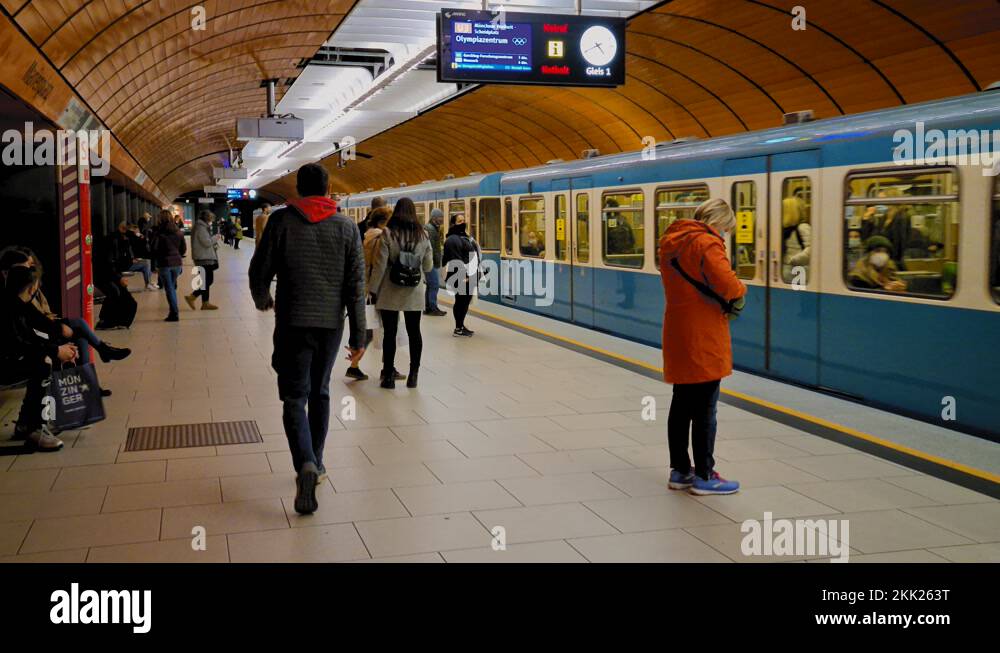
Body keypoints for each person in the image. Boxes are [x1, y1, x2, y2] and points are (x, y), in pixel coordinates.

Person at [249, 163, 366, 516]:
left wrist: (262, 298)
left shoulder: (281, 222)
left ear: (299, 190)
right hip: (331, 325)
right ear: (329, 189)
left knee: (294, 397)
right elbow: (355, 287)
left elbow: (259, 269)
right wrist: (359, 335)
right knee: (321, 392)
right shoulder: (347, 228)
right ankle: (318, 462)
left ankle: (305, 464)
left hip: (292, 322)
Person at [658, 198, 746, 496]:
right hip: (704, 333)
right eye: (726, 229)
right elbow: (729, 285)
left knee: (681, 404)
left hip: (678, 331)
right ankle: (706, 476)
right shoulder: (707, 243)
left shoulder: (671, 242)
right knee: (706, 407)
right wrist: (741, 289)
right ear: (719, 222)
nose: (725, 235)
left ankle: (680, 471)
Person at [1, 264, 77, 451]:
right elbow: (17, 343)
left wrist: (59, 343)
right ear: (31, 287)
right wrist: (55, 351)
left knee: (43, 359)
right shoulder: (8, 308)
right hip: (4, 362)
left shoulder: (17, 303)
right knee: (42, 363)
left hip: (10, 357)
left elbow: (37, 325)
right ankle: (35, 427)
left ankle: (26, 424)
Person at [367, 197, 432, 389]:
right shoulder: (423, 235)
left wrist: (372, 289)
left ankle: (388, 376)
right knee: (415, 333)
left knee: (390, 333)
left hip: (390, 290)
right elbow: (428, 266)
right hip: (414, 291)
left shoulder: (387, 233)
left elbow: (379, 265)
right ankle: (414, 375)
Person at [346, 206, 392, 381]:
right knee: (380, 329)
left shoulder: (369, 234)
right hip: (376, 289)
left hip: (368, 287)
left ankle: (357, 365)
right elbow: (378, 264)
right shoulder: (379, 237)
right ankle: (360, 365)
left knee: (372, 329)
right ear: (383, 222)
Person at [442, 212, 481, 337]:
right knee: (461, 302)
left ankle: (461, 325)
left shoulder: (463, 237)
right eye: (459, 221)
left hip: (468, 274)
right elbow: (456, 260)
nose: (463, 223)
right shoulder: (453, 239)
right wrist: (465, 276)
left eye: (464, 220)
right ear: (453, 224)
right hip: (461, 276)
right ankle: (458, 328)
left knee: (464, 301)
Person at [93, 229, 139, 330]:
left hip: (111, 276)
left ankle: (117, 321)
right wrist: (119, 278)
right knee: (115, 293)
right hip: (104, 276)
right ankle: (106, 321)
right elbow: (108, 266)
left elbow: (121, 264)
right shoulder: (111, 245)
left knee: (124, 297)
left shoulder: (119, 245)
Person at [152, 210, 187, 322]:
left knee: (169, 289)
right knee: (172, 287)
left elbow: (154, 248)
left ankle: (174, 313)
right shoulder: (178, 232)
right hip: (177, 263)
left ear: (160, 219)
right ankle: (173, 311)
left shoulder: (159, 233)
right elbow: (183, 249)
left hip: (164, 263)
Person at [185, 209, 220, 311]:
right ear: (207, 218)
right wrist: (215, 238)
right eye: (210, 219)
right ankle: (192, 297)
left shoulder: (201, 226)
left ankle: (205, 303)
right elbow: (206, 242)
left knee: (206, 281)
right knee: (208, 280)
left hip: (204, 256)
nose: (211, 221)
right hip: (203, 258)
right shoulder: (200, 227)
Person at [112, 221, 155, 290]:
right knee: (146, 264)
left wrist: (132, 259)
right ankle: (148, 283)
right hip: (124, 265)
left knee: (146, 263)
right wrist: (131, 260)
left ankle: (148, 283)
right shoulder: (122, 239)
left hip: (125, 262)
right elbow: (121, 254)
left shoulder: (120, 237)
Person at [423, 208, 447, 316]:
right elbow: (430, 248)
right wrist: (434, 261)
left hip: (432, 262)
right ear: (434, 218)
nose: (442, 219)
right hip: (431, 262)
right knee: (434, 285)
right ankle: (432, 307)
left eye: (442, 217)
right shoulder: (431, 230)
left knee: (430, 285)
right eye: (439, 217)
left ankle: (428, 307)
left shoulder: (433, 228)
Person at [126, 223, 157, 290]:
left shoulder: (132, 237)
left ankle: (148, 283)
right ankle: (148, 283)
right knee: (147, 263)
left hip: (133, 259)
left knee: (147, 264)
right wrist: (141, 238)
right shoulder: (130, 238)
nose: (138, 232)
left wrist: (142, 238)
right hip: (128, 263)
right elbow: (137, 246)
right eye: (136, 230)